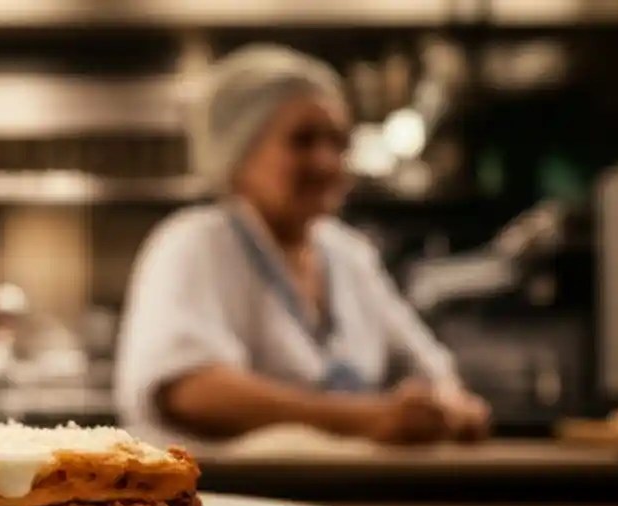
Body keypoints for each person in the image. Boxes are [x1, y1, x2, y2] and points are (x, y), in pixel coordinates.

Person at [114, 44, 489, 446]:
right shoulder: (194, 243)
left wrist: (449, 406)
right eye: (303, 141)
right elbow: (190, 390)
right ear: (236, 152)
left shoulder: (349, 255)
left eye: (338, 142)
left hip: (354, 492)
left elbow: (426, 367)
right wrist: (363, 419)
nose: (327, 163)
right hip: (230, 497)